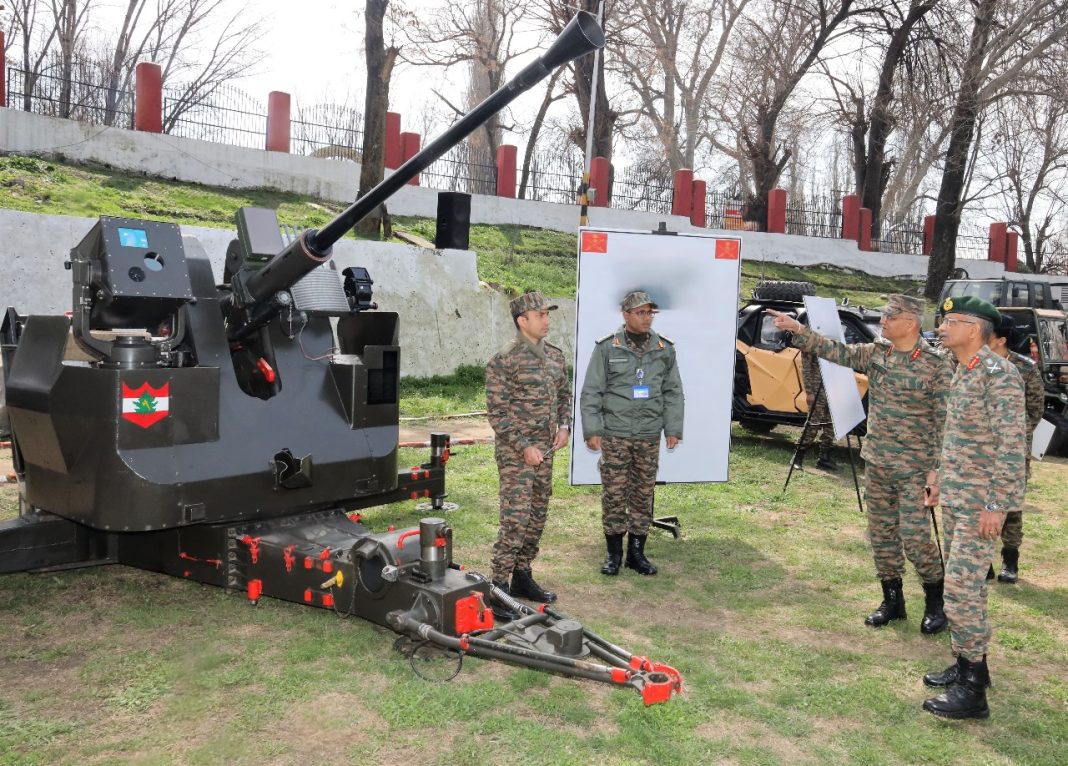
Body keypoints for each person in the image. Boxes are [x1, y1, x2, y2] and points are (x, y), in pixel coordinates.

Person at [769, 294, 952, 633]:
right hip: (878, 463)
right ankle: (892, 601)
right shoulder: (878, 351)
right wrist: (797, 328)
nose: (883, 320)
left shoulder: (936, 364)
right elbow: (836, 351)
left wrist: (937, 470)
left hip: (914, 469)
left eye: (890, 315)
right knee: (881, 536)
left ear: (910, 323)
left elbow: (945, 421)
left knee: (914, 538)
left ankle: (935, 603)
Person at [921, 296, 1026, 720]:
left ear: (974, 329)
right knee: (968, 588)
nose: (943, 327)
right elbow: (960, 436)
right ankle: (967, 664)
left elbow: (1011, 446)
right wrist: (939, 480)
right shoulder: (962, 371)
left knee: (960, 590)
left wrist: (997, 507)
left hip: (981, 503)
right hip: (959, 498)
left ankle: (973, 690)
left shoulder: (998, 374)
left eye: (952, 321)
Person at [580, 291, 684, 577]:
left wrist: (673, 428)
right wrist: (592, 429)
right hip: (615, 434)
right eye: (640, 313)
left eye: (650, 313)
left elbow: (673, 392)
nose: (647, 318)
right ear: (625, 315)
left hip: (649, 434)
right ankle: (614, 554)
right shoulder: (607, 348)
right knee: (614, 494)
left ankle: (636, 554)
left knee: (642, 493)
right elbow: (591, 392)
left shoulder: (664, 349)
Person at [485, 291, 572, 620]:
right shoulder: (504, 359)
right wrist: (524, 446)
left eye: (547, 314)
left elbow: (564, 393)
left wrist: (564, 427)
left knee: (537, 514)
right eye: (541, 315)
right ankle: (498, 587)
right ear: (523, 321)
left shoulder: (554, 356)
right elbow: (497, 413)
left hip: (546, 450)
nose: (547, 320)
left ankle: (522, 575)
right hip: (516, 454)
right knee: (516, 517)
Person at [985, 314, 1044, 583]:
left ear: (1002, 340)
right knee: (978, 500)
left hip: (1014, 448)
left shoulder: (1025, 368)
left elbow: (1035, 410)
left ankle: (1010, 560)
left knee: (1011, 504)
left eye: (989, 334)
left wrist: (1014, 437)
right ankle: (982, 560)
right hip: (980, 447)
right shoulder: (976, 364)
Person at [794, 349, 839, 472]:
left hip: (831, 389)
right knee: (813, 423)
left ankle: (824, 458)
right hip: (816, 390)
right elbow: (806, 368)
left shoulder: (831, 341)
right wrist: (809, 392)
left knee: (831, 424)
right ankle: (798, 457)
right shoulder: (811, 342)